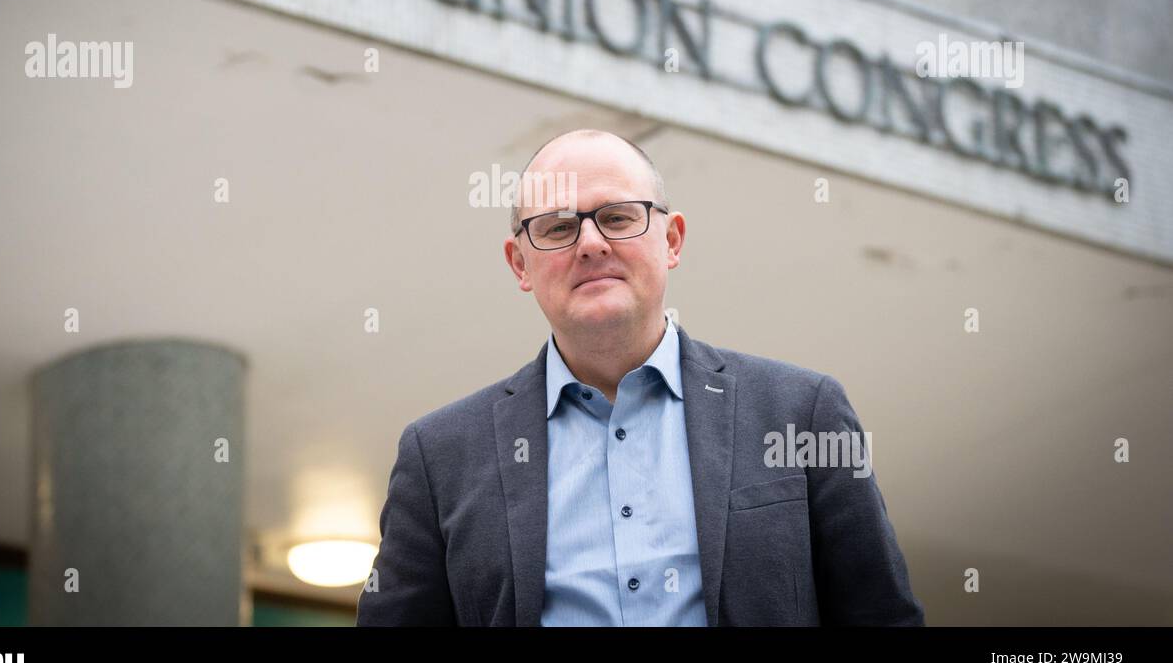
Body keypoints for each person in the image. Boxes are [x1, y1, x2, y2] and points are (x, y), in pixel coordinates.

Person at [356, 128, 924, 626]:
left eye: (618, 217)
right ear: (519, 263)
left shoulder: (802, 412)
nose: (591, 244)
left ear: (671, 240)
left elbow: (881, 616)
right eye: (557, 228)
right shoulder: (441, 456)